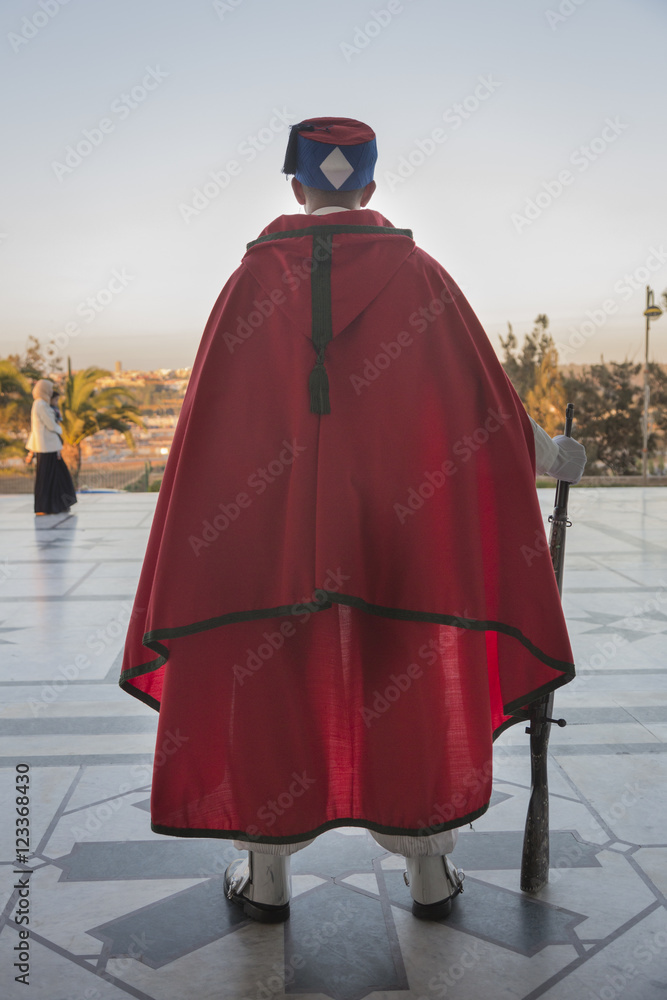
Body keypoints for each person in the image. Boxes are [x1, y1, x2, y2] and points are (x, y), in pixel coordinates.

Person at [120, 117, 586, 924]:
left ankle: (264, 878)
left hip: (261, 542)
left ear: (296, 186)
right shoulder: (422, 279)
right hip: (394, 541)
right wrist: (551, 453)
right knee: (404, 682)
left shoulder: (246, 286)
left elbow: (208, 430)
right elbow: (481, 405)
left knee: (265, 682)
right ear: (368, 188)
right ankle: (429, 874)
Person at [25, 378, 77, 516]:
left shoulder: (40, 404)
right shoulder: (41, 404)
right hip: (47, 446)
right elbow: (50, 424)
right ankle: (49, 506)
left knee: (52, 477)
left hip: (47, 446)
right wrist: (60, 430)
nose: (51, 392)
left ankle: (54, 506)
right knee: (51, 477)